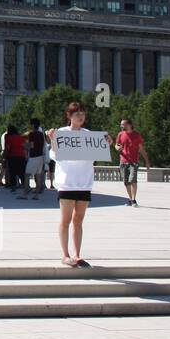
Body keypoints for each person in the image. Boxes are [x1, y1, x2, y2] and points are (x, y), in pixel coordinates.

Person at [50, 101, 107, 267]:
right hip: (67, 183)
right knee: (65, 219)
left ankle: (77, 254)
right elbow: (55, 155)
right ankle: (65, 254)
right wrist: (52, 139)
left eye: (83, 113)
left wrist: (105, 144)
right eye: (77, 114)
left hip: (84, 183)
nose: (81, 117)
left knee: (79, 219)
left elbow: (94, 156)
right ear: (69, 116)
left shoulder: (88, 134)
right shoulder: (62, 132)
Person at [114, 118, 151, 207]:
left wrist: (147, 161)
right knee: (126, 182)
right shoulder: (120, 134)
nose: (121, 126)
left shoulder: (136, 135)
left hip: (133, 162)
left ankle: (134, 200)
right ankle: (130, 199)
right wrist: (117, 148)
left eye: (123, 124)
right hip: (123, 161)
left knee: (132, 180)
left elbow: (141, 149)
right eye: (121, 124)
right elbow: (116, 145)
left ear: (129, 125)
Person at [3, 124, 28, 196]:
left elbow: (7, 148)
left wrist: (5, 156)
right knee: (21, 172)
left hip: (12, 156)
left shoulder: (8, 137)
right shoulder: (20, 137)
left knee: (12, 172)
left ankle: (13, 187)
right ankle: (25, 185)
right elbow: (26, 146)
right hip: (21, 156)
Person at [24, 118, 46, 197]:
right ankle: (36, 194)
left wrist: (24, 145)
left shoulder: (31, 134)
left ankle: (25, 194)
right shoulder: (41, 134)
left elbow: (31, 146)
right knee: (38, 175)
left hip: (33, 156)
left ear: (33, 125)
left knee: (26, 174)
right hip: (40, 156)